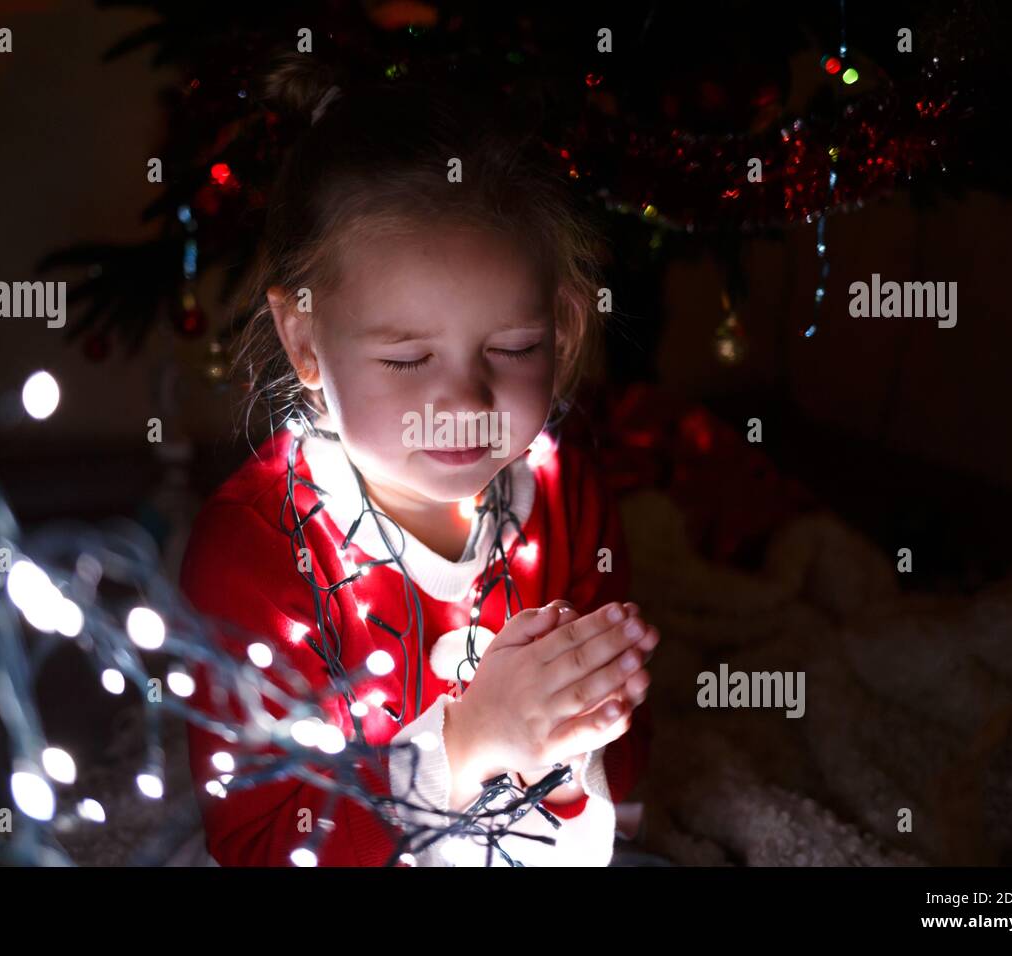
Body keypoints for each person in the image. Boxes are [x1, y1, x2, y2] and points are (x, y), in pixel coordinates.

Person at [179, 57, 658, 866]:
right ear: (304, 340)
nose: (465, 402)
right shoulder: (255, 552)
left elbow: (623, 782)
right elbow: (258, 843)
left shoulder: (562, 492)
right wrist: (465, 745)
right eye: (406, 360)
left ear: (565, 325)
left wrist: (595, 714)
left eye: (513, 348)